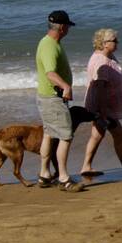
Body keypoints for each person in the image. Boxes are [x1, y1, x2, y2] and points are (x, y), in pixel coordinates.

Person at [80, 28, 122, 181]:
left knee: (97, 135)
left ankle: (86, 166)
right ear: (104, 43)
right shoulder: (101, 61)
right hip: (103, 107)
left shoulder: (109, 56)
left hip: (107, 105)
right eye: (114, 40)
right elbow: (100, 89)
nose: (117, 43)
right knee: (118, 134)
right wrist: (102, 113)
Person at [36, 10, 83, 191]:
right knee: (66, 136)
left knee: (49, 134)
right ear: (62, 27)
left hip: (47, 97)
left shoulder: (49, 42)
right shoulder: (49, 46)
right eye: (68, 26)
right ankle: (63, 178)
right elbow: (50, 74)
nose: (69, 30)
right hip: (53, 99)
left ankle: (44, 174)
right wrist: (66, 87)